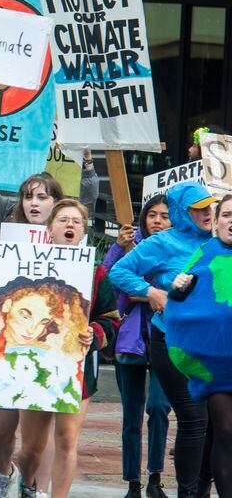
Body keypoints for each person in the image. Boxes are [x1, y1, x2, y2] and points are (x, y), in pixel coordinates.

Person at [110, 182, 217, 498]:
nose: (207, 213)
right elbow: (119, 271)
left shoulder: (219, 240)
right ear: (182, 212)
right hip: (170, 340)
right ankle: (185, 492)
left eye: (210, 206)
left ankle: (202, 489)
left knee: (215, 424)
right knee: (193, 418)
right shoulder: (162, 242)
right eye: (198, 208)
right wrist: (151, 291)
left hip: (212, 345)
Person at [15, 200, 120, 498]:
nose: (70, 225)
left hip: (77, 368)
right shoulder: (25, 265)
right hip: (33, 364)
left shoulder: (97, 273)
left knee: (67, 438)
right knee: (30, 449)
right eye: (63, 220)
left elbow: (111, 319)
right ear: (50, 229)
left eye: (76, 221)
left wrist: (94, 333)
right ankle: (28, 484)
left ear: (83, 231)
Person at [0, 171, 69, 497]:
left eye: (42, 197)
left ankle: (36, 490)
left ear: (56, 202)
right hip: (1, 344)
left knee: (37, 435)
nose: (34, 203)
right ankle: (5, 472)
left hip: (47, 348)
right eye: (28, 196)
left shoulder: (69, 243)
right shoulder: (1, 238)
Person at [104, 195, 172, 498]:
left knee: (158, 408)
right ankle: (132, 482)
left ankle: (155, 478)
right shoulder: (130, 248)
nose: (157, 221)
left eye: (164, 216)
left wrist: (142, 292)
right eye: (152, 214)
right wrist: (118, 247)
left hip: (167, 339)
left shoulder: (180, 248)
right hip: (130, 340)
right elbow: (110, 283)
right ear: (143, 218)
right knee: (131, 416)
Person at [165, 194, 232, 496]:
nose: (231, 220)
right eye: (227, 215)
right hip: (215, 367)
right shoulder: (203, 254)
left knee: (221, 434)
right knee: (226, 429)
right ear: (216, 222)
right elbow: (178, 302)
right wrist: (177, 290)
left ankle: (202, 485)